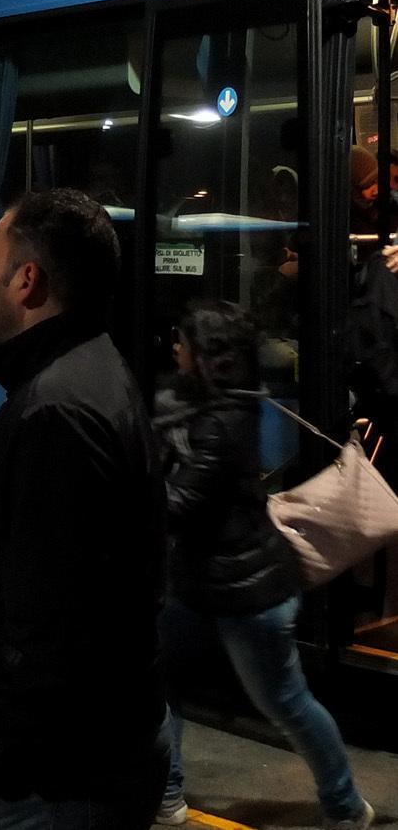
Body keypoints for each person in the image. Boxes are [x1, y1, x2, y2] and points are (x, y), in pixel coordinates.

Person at [0, 188, 168, 830]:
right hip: (78, 764)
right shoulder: (88, 370)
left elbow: (53, 629)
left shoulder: (56, 414)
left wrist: (4, 753)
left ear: (26, 280)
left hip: (56, 782)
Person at [155, 301, 373, 830]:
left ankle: (346, 805)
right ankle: (166, 792)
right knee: (158, 677)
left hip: (249, 591)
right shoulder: (201, 402)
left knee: (285, 701)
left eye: (184, 340)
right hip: (200, 580)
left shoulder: (221, 420)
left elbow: (181, 503)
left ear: (207, 354)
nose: (175, 347)